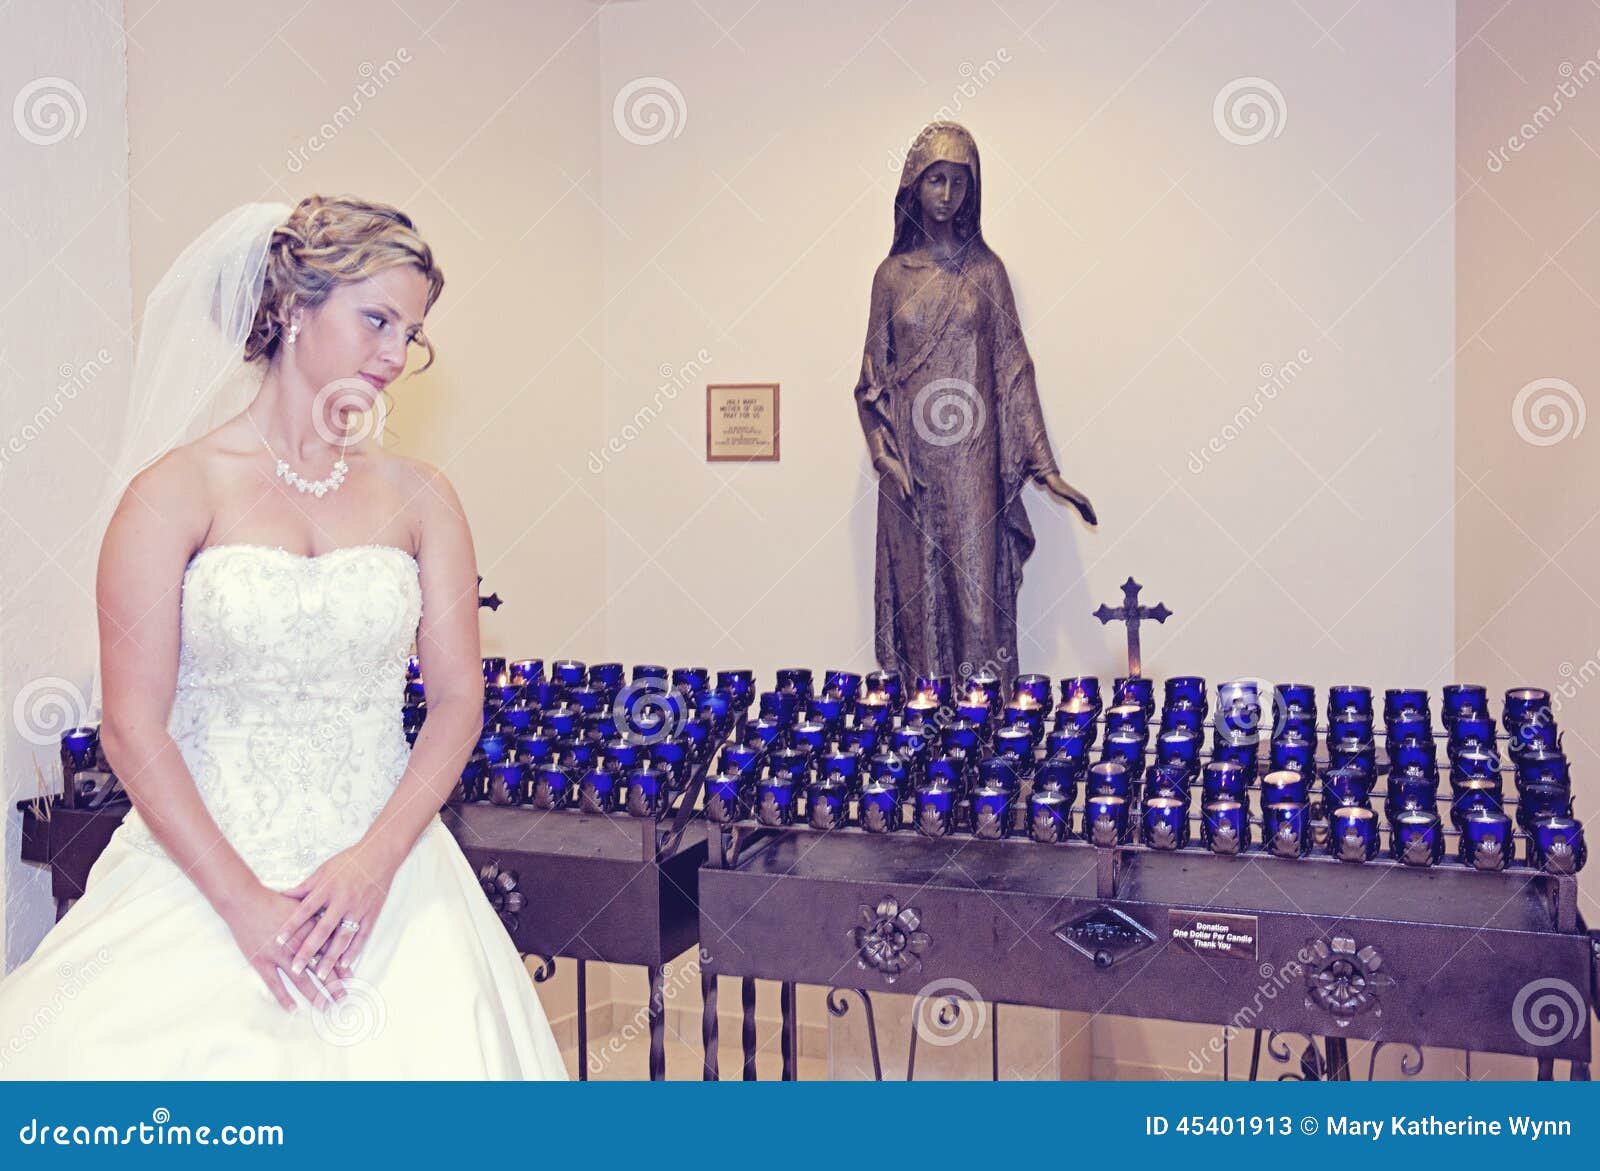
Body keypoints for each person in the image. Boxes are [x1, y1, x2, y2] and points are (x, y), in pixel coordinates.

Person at [0, 195, 568, 1079]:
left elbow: (458, 704)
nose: (393, 354)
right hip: (203, 873)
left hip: (388, 874)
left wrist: (375, 864)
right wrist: (243, 905)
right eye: (375, 319)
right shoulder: (175, 491)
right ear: (293, 309)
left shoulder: (423, 496)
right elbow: (132, 726)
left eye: (410, 334)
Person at [854, 122, 1096, 682]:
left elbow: (1013, 370)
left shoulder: (987, 272)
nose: (946, 195)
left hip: (973, 468)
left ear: (973, 189)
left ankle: (983, 733)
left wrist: (1046, 468)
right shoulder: (890, 278)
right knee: (920, 605)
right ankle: (926, 736)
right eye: (935, 180)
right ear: (913, 186)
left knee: (976, 602)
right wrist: (885, 456)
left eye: (958, 183)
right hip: (912, 469)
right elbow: (869, 381)